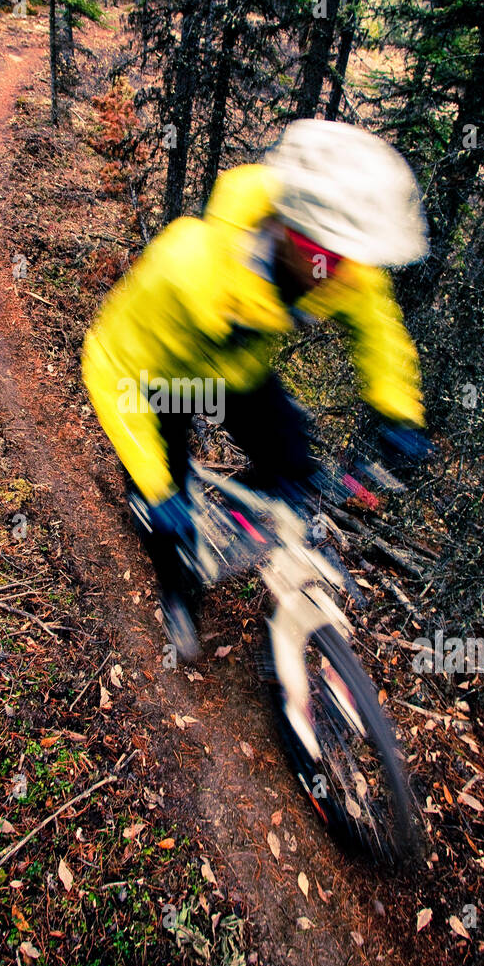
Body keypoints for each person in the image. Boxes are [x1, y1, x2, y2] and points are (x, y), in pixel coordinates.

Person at [81, 119, 433, 662]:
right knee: (167, 511)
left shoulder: (336, 264)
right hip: (162, 384)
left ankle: (236, 520)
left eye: (346, 260)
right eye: (327, 254)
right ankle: (179, 590)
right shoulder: (185, 264)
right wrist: (156, 484)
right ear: (290, 226)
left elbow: (377, 327)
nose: (336, 274)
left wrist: (398, 412)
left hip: (234, 378)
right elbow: (108, 363)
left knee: (294, 463)